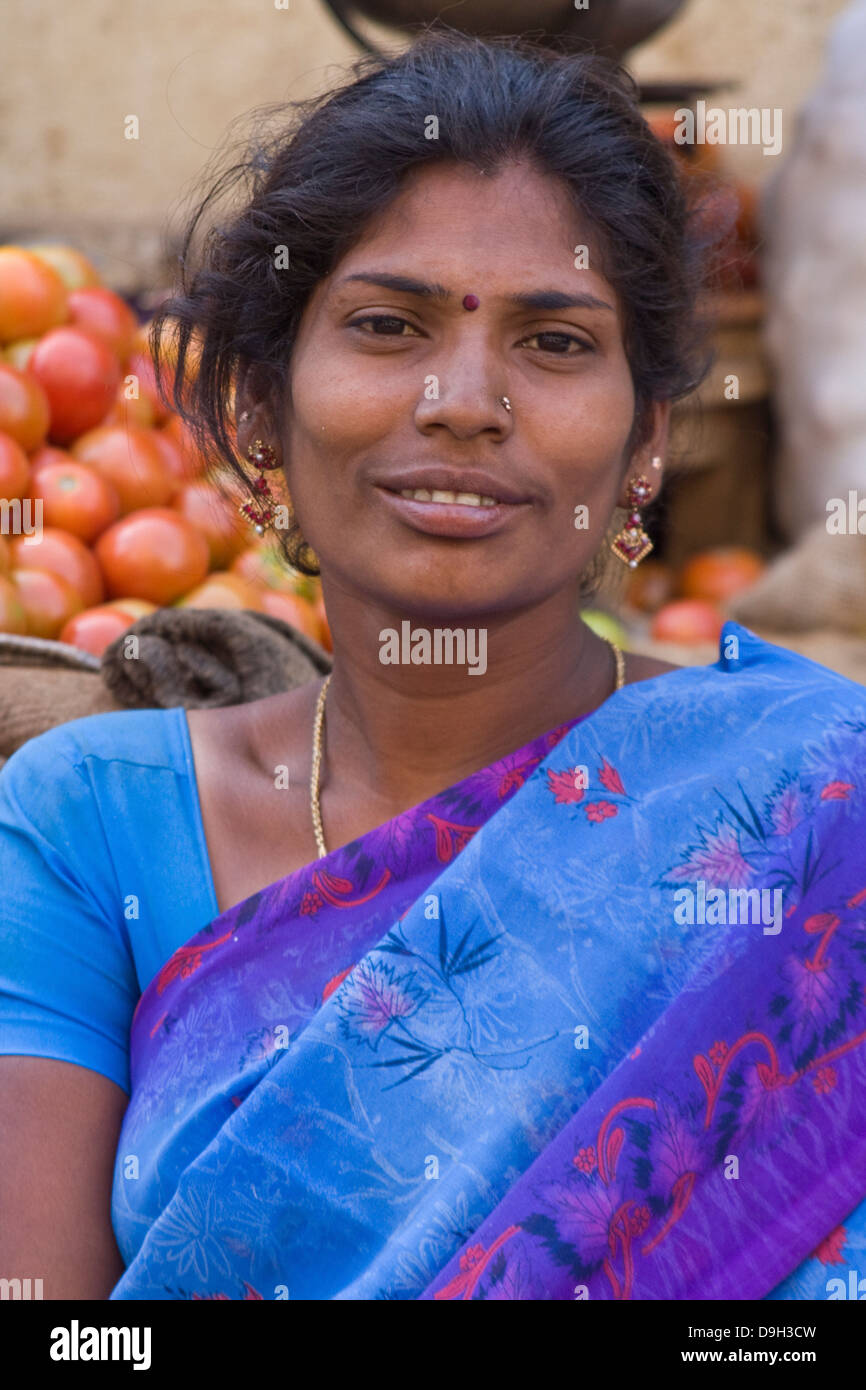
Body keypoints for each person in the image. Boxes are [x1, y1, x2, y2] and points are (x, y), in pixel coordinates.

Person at [1, 34, 864, 1302]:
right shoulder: (91, 819)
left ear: (646, 444)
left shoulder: (810, 802)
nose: (464, 399)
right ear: (256, 411)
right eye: (386, 324)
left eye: (555, 342)